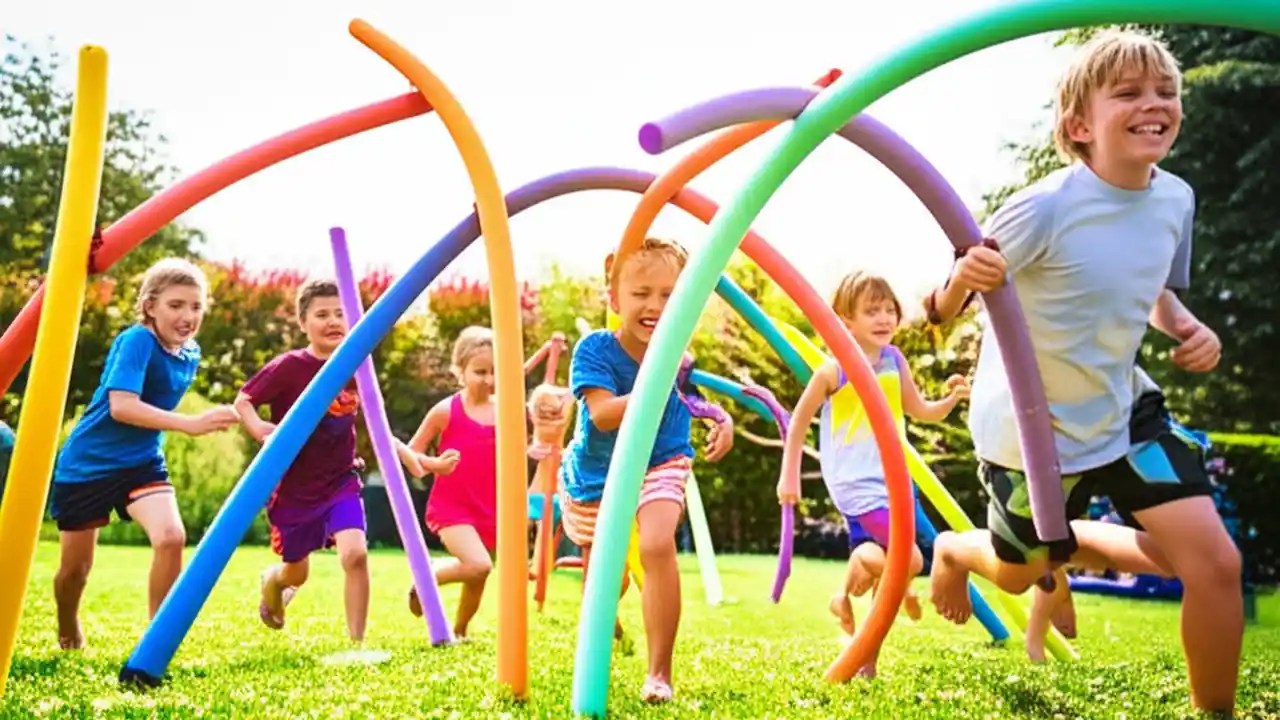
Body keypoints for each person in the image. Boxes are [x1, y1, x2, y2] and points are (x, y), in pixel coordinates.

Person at [923, 30, 1239, 714]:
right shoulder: (1046, 207)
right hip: (1031, 432)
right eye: (1127, 93)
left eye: (1166, 92)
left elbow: (1153, 292)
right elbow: (945, 306)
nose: (1154, 105)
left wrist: (1187, 327)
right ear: (1078, 125)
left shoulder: (1175, 200)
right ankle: (954, 549)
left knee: (1216, 567)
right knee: (1018, 575)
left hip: (1123, 410)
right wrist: (959, 282)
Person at [559, 237, 734, 703]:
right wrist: (655, 384)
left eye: (669, 294)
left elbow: (691, 399)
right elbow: (600, 414)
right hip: (597, 474)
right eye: (641, 293)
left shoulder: (681, 356)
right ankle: (603, 619)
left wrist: (723, 419)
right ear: (615, 298)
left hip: (661, 459)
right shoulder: (594, 350)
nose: (655, 306)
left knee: (656, 546)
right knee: (606, 579)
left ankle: (660, 673)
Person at [777, 270, 969, 677]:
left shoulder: (894, 360)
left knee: (876, 558)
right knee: (910, 560)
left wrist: (951, 398)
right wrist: (789, 475)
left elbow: (920, 410)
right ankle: (903, 590)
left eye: (889, 310)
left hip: (894, 481)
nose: (884, 318)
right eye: (871, 311)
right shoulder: (835, 371)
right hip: (856, 486)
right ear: (845, 320)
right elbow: (798, 422)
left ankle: (865, 656)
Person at [50, 258, 238, 649]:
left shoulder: (190, 353)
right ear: (150, 306)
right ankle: (68, 629)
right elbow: (122, 406)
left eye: (196, 306)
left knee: (171, 537)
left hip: (141, 463)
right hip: (88, 464)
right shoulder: (137, 341)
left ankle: (157, 641)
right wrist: (190, 423)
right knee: (75, 572)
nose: (188, 316)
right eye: (176, 305)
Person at [237, 277, 401, 643]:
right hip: (294, 487)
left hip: (341, 479)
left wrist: (412, 457)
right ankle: (273, 581)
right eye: (322, 314)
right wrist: (259, 428)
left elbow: (377, 422)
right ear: (303, 323)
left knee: (355, 555)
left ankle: (356, 644)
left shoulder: (359, 368)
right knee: (296, 574)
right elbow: (244, 400)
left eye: (341, 314)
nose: (333, 321)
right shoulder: (290, 366)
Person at [403, 325, 501, 640]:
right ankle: (426, 577)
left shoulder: (507, 411)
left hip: (489, 506)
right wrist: (436, 465)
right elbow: (410, 455)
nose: (488, 380)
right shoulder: (446, 411)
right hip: (452, 507)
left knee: (477, 577)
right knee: (480, 565)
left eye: (494, 372)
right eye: (480, 371)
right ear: (460, 371)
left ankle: (459, 631)